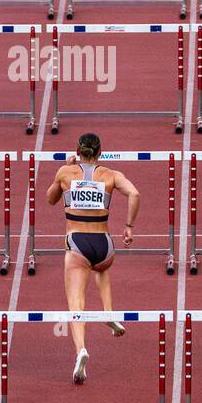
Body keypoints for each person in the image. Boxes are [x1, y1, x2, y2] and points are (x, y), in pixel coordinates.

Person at [44, 132, 140, 384]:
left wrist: (65, 169)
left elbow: (50, 199)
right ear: (100, 153)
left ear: (78, 150)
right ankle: (108, 312)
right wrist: (128, 226)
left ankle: (81, 351)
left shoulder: (66, 173)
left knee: (76, 303)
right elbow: (135, 194)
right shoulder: (111, 175)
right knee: (101, 269)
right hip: (104, 244)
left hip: (77, 243)